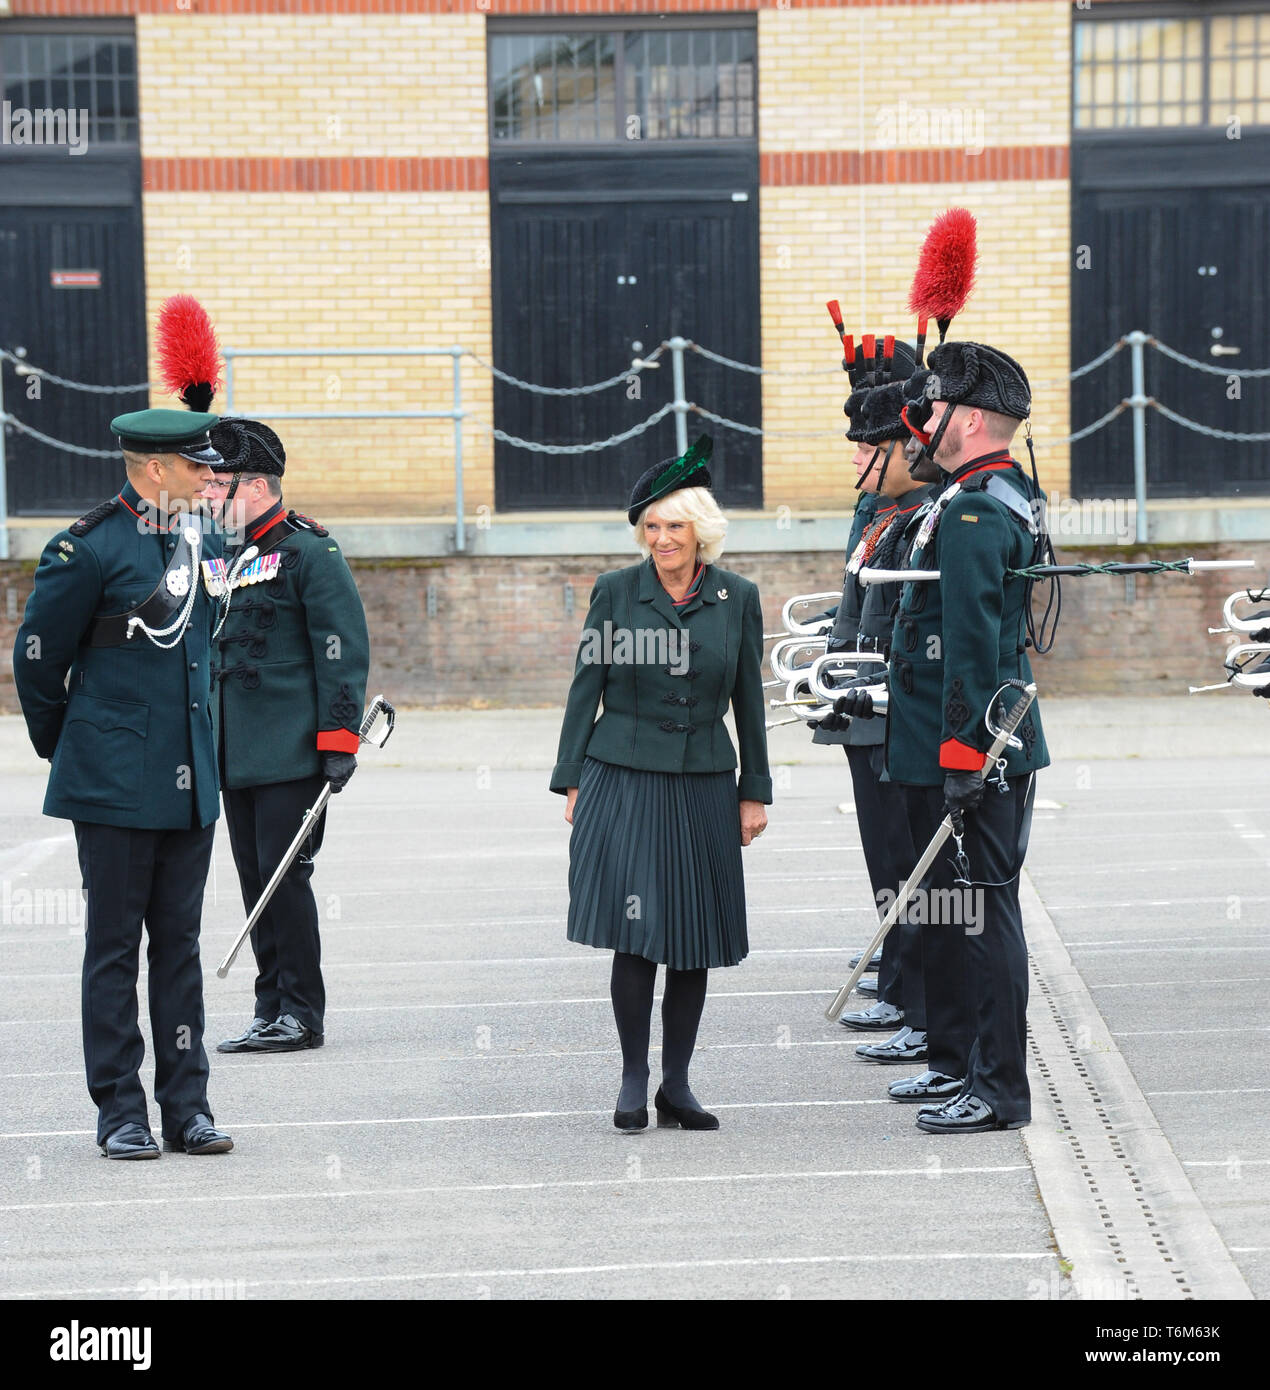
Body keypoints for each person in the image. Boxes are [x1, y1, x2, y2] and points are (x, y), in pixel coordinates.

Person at [836, 341, 1050, 1132]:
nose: (918, 423)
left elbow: (971, 648)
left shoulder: (972, 508)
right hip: (955, 745)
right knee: (957, 918)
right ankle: (957, 1061)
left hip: (973, 750)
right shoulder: (979, 494)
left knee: (983, 921)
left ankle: (998, 1089)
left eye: (931, 410)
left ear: (967, 418)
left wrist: (962, 759)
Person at [12, 408, 233, 1159]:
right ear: (154, 469)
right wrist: (71, 750)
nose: (213, 477)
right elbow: (38, 661)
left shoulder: (207, 539)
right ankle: (120, 1112)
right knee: (114, 949)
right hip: (113, 782)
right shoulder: (87, 547)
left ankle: (187, 1106)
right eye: (199, 467)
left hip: (190, 781)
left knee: (180, 947)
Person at [551, 435, 772, 1132]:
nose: (661, 537)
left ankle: (677, 1082)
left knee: (694, 935)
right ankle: (633, 1075)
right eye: (651, 525)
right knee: (636, 932)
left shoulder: (738, 597)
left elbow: (750, 699)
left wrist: (754, 789)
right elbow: (586, 687)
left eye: (674, 525)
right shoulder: (616, 591)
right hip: (623, 777)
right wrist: (570, 779)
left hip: (706, 780)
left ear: (700, 531)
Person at [203, 418, 370, 1054]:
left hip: (291, 749)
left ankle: (300, 1011)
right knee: (255, 880)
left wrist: (338, 743)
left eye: (220, 485)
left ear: (257, 485)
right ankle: (269, 1005)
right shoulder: (220, 551)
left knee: (284, 878)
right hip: (231, 751)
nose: (210, 496)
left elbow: (342, 653)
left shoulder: (310, 551)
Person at [816, 346, 940, 1066]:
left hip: (898, 718)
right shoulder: (881, 512)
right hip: (864, 710)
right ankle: (901, 976)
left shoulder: (918, 514)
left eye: (868, 444)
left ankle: (917, 994)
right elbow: (854, 606)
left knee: (910, 866)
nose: (857, 458)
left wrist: (858, 677)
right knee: (886, 864)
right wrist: (832, 679)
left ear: (901, 445)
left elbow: (903, 627)